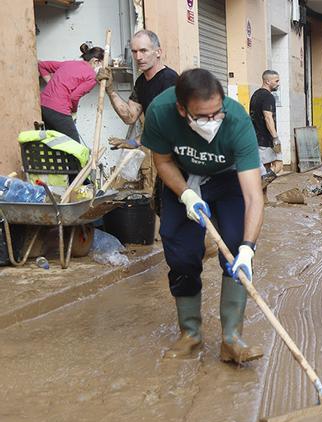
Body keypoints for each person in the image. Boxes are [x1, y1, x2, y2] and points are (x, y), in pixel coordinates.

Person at [140, 68, 265, 364]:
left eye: (216, 114)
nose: (212, 123)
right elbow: (163, 160)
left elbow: (253, 195)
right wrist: (185, 194)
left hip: (228, 179)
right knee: (181, 254)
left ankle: (232, 339)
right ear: (182, 109)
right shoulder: (160, 111)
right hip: (182, 178)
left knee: (235, 252)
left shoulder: (235, 121)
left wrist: (248, 249)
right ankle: (190, 334)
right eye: (202, 117)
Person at [97, 30, 178, 211]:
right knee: (161, 206)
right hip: (162, 155)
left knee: (175, 206)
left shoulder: (170, 81)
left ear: (158, 52)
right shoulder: (142, 82)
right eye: (134, 52)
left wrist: (135, 142)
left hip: (178, 156)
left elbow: (167, 128)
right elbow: (130, 116)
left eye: (143, 51)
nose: (138, 56)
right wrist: (110, 90)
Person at [38, 43, 105, 143]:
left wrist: (51, 82)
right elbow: (74, 97)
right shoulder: (92, 76)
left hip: (42, 106)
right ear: (96, 61)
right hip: (59, 110)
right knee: (75, 147)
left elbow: (42, 65)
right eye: (103, 65)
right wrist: (74, 112)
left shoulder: (69, 63)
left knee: (53, 144)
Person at [249, 70, 283, 188]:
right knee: (276, 166)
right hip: (265, 140)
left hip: (255, 137)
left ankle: (264, 197)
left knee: (264, 169)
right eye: (276, 81)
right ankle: (258, 193)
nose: (278, 83)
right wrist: (275, 138)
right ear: (268, 81)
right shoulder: (268, 96)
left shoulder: (255, 95)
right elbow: (268, 118)